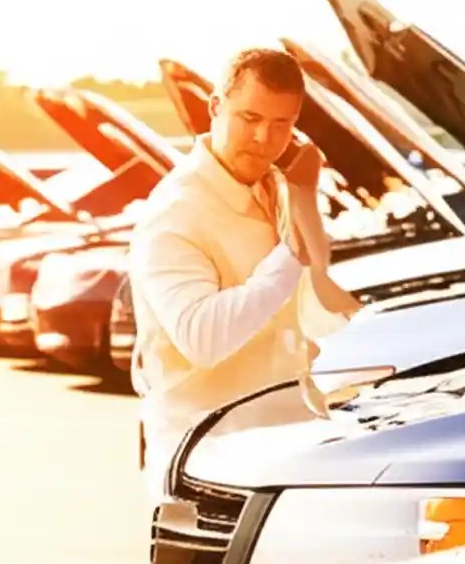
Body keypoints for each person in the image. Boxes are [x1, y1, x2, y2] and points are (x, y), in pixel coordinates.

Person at [128, 47, 360, 500]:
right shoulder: (175, 214)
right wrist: (290, 254)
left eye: (282, 124)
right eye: (249, 118)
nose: (263, 137)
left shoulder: (275, 186)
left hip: (285, 450)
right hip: (208, 465)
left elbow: (300, 311)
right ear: (215, 108)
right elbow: (202, 337)